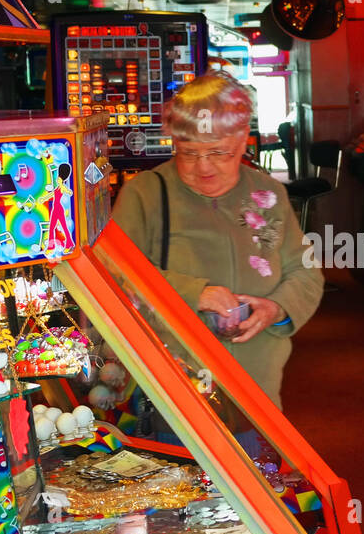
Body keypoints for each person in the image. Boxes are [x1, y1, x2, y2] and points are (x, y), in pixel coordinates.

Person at [111, 74, 323, 409]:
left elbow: (305, 271)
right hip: (174, 390)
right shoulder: (146, 194)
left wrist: (276, 308)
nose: (204, 167)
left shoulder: (268, 193)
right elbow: (113, 275)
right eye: (189, 153)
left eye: (218, 152)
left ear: (243, 141)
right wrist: (196, 293)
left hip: (258, 387)